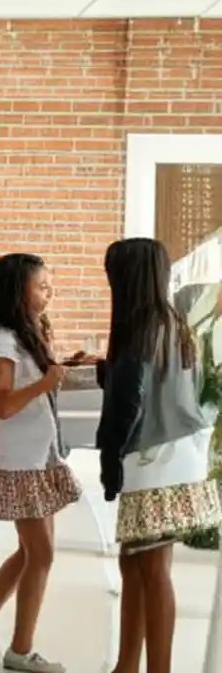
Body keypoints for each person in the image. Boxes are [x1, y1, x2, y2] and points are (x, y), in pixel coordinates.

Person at [95, 238, 222, 673]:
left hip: (151, 460)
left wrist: (109, 458)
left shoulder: (139, 328)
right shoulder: (172, 320)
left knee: (151, 570)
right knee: (136, 565)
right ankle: (126, 665)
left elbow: (129, 400)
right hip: (181, 454)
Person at [0, 254, 82, 673]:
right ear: (17, 291)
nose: (48, 292)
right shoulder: (4, 341)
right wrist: (44, 382)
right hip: (21, 464)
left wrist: (61, 369)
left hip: (38, 458)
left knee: (29, 554)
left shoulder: (28, 334)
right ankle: (20, 650)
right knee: (41, 555)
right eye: (41, 285)